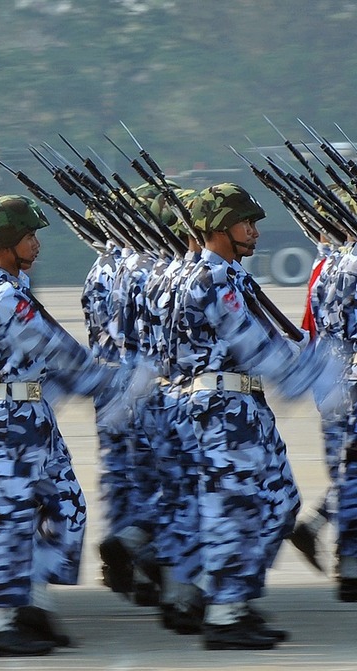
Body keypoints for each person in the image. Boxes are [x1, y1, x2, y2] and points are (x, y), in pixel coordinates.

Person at [172, 183, 332, 650]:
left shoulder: (232, 277)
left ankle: (228, 596)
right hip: (223, 411)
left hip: (246, 408)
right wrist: (309, 379)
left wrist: (307, 362)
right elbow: (253, 344)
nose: (255, 231)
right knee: (236, 510)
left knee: (280, 505)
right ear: (219, 229)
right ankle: (224, 612)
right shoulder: (210, 280)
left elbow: (274, 336)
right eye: (246, 223)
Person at [0, 196, 124, 657]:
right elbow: (58, 349)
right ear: (8, 244)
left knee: (67, 506)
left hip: (33, 415)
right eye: (29, 236)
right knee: (8, 518)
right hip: (8, 420)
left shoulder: (14, 289)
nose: (37, 243)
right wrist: (107, 381)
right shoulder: (4, 296)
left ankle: (30, 599)